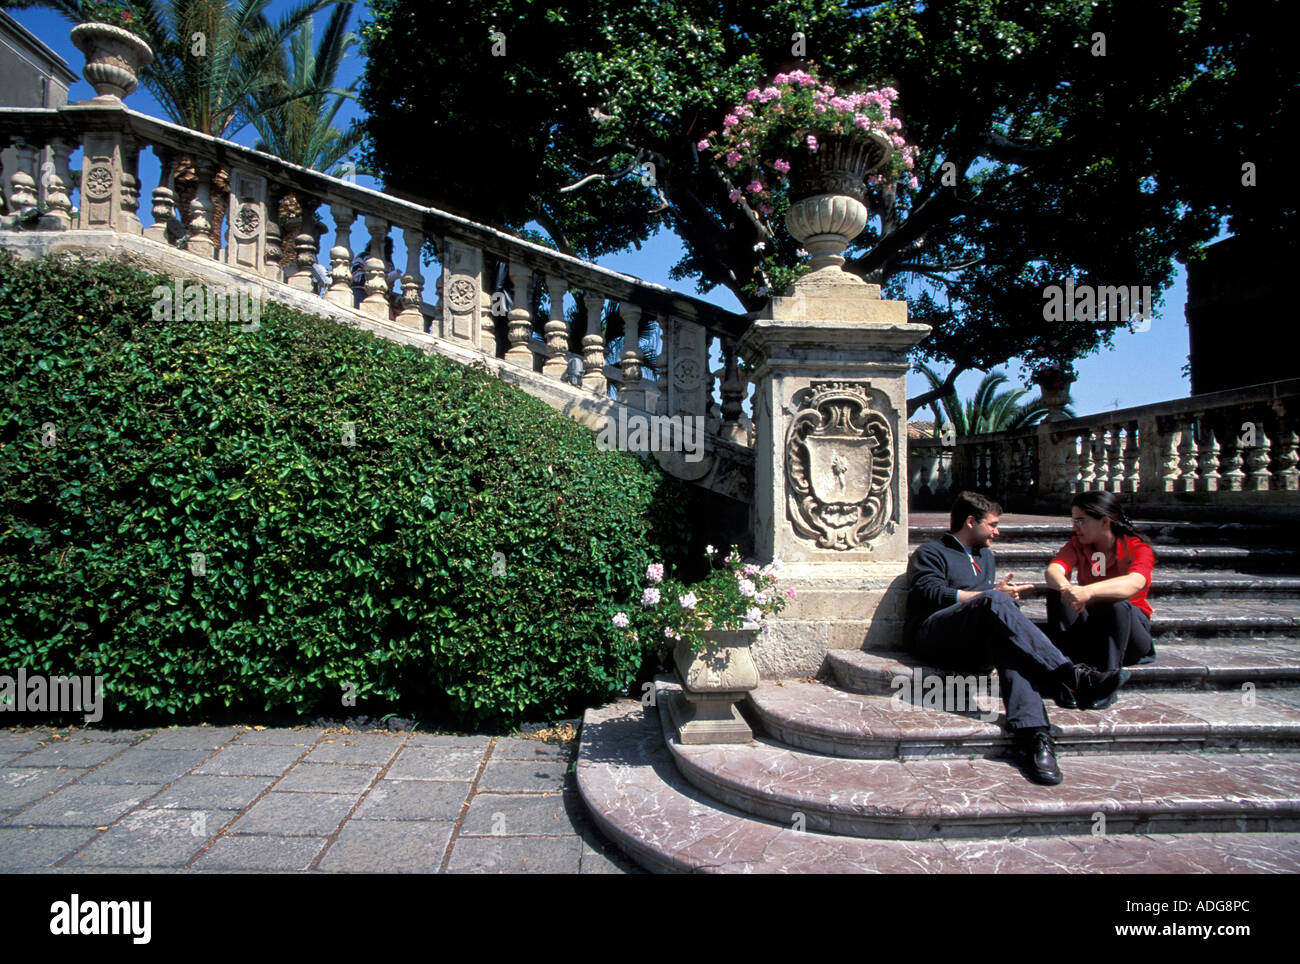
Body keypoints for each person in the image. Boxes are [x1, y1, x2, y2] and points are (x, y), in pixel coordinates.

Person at [905, 491, 1129, 785]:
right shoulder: (931, 552)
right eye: (993, 525)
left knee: (1008, 642)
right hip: (934, 635)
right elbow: (929, 593)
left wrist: (999, 599)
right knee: (995, 602)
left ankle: (1035, 738)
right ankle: (1070, 675)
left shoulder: (986, 557)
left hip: (975, 643)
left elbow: (990, 606)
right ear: (971, 521)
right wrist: (989, 597)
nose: (997, 532)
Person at [1044, 491, 1156, 708]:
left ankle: (1108, 678)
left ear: (1104, 521)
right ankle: (1069, 673)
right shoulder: (1079, 544)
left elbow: (1134, 582)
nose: (1075, 527)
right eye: (1074, 521)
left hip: (1129, 633)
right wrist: (1067, 588)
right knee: (1057, 593)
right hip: (1092, 626)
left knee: (1116, 603)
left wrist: (1090, 592)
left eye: (1081, 521)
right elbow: (1053, 570)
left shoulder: (1137, 547)